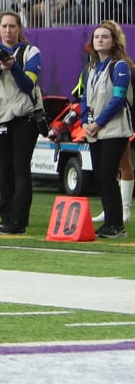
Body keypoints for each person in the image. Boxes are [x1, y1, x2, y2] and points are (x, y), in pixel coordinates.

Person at [0, 11, 43, 236]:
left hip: (24, 116)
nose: (8, 30)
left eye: (12, 26)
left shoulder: (31, 52)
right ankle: (6, 218)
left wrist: (13, 66)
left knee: (20, 168)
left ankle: (18, 221)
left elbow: (27, 86)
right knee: (4, 169)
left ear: (20, 29)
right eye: (4, 26)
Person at [79, 21, 132, 238]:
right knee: (100, 177)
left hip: (114, 129)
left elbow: (118, 100)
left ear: (114, 41)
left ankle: (116, 225)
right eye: (97, 36)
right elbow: (84, 98)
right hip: (94, 129)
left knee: (108, 174)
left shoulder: (120, 66)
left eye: (105, 37)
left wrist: (98, 122)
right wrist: (84, 121)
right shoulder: (91, 67)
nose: (100, 40)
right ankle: (110, 222)